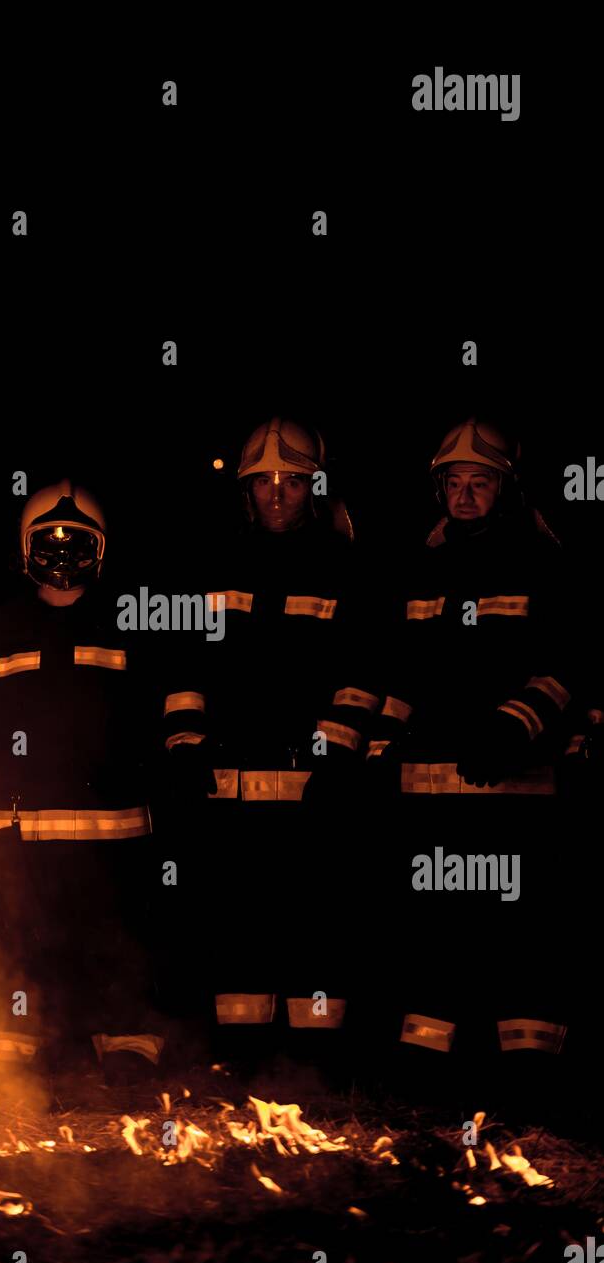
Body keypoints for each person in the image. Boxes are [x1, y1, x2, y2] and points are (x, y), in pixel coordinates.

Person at [365, 418, 578, 1116]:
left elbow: (565, 668)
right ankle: (427, 1083)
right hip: (432, 799)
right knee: (434, 937)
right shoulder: (421, 570)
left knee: (520, 940)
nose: (462, 496)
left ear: (505, 489)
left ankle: (528, 1090)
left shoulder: (544, 566)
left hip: (517, 793)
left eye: (477, 483)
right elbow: (399, 679)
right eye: (452, 484)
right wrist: (374, 756)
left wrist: (509, 728)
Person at [158, 418, 376, 1081]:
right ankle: (243, 1070)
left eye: (290, 482)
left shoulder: (344, 569)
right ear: (244, 492)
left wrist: (335, 755)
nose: (276, 495)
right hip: (225, 791)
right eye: (263, 484)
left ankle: (315, 1072)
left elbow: (363, 671)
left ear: (313, 486)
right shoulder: (210, 566)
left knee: (316, 929)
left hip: (314, 788)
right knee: (235, 934)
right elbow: (183, 667)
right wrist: (184, 745)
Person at [0, 480, 165, 1089]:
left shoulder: (128, 621)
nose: (61, 554)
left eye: (76, 542)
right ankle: (15, 1041)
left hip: (114, 826)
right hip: (26, 826)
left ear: (99, 551)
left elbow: (152, 710)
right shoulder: (0, 627)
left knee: (115, 933)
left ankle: (127, 1042)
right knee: (21, 932)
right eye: (48, 541)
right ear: (24, 549)